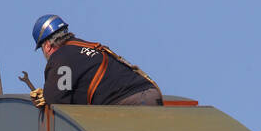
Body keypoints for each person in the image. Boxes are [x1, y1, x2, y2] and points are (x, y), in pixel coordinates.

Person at [30, 16, 163, 108]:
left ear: (47, 46)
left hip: (130, 103)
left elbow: (58, 104)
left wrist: (48, 95)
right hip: (150, 95)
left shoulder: (60, 57)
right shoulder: (86, 47)